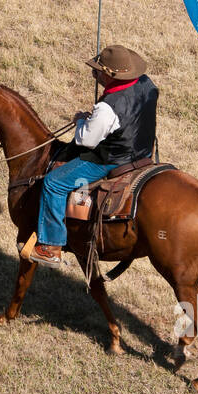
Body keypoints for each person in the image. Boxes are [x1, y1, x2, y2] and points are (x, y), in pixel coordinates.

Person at [31, 45, 158, 266]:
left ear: (110, 75)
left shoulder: (108, 107)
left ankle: (50, 246)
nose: (95, 73)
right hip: (144, 151)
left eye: (99, 70)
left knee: (53, 183)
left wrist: (80, 120)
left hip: (113, 159)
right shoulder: (147, 83)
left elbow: (86, 140)